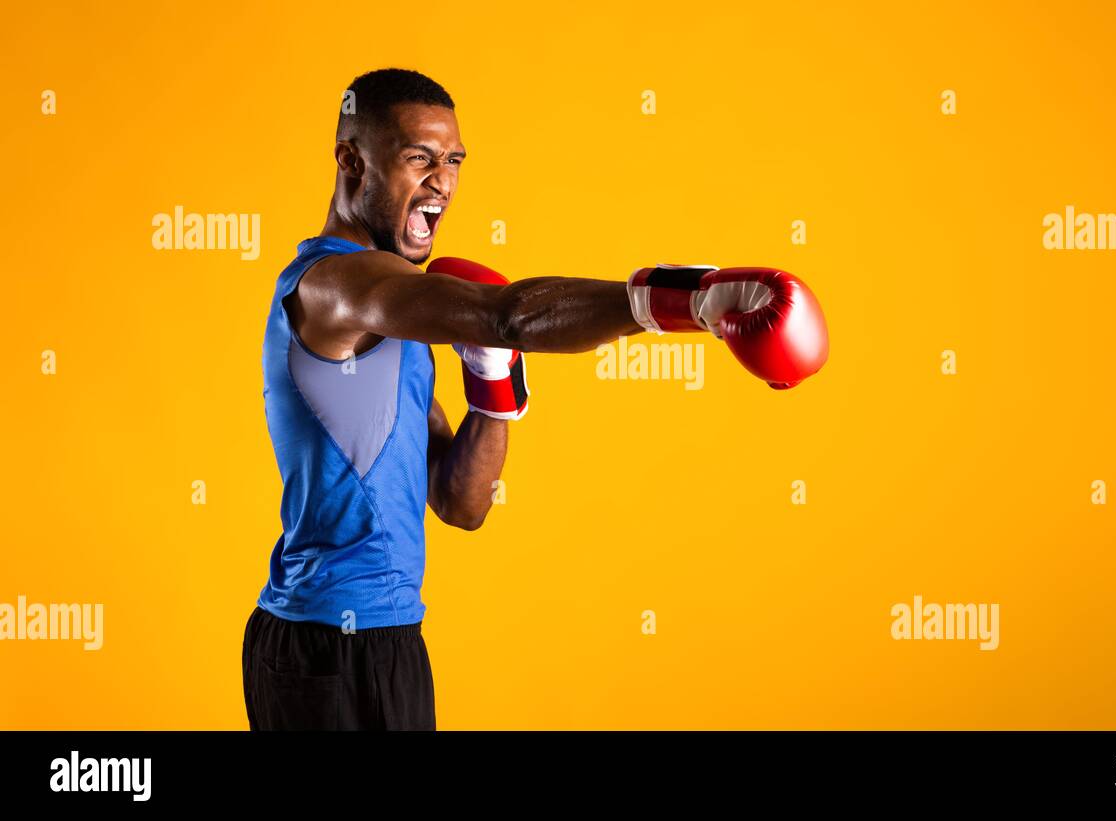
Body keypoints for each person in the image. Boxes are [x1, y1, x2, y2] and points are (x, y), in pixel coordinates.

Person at [242, 68, 829, 730]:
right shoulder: (335, 285)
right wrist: (694, 299)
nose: (443, 181)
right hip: (324, 640)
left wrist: (492, 388)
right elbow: (510, 314)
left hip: (388, 636)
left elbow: (460, 503)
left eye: (454, 161)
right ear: (352, 160)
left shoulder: (396, 314)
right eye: (419, 159)